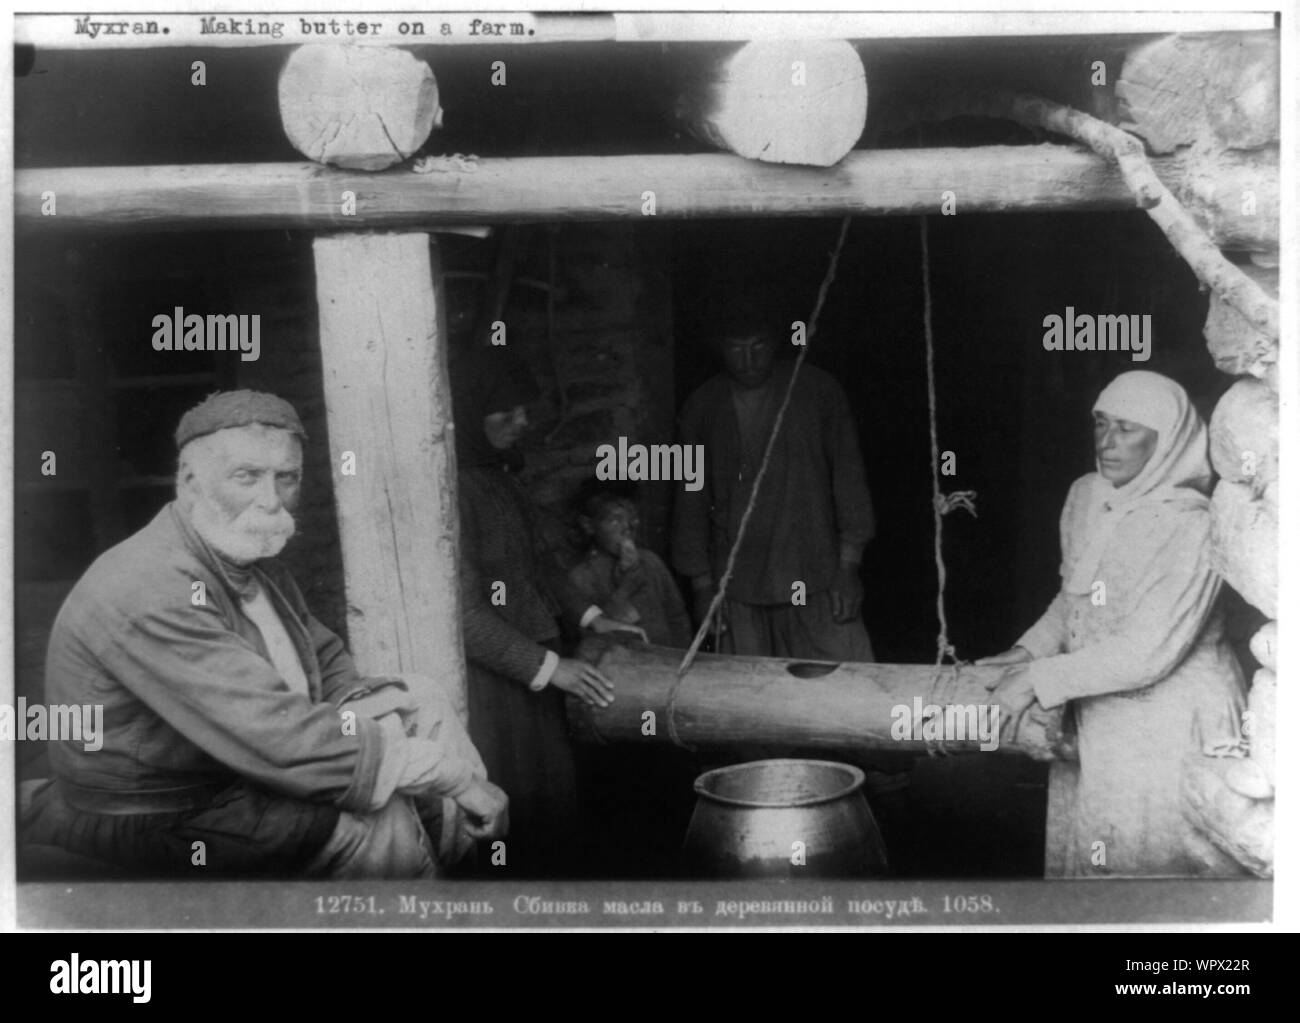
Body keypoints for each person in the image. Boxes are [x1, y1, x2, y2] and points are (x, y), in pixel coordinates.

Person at [22, 390, 507, 879]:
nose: (271, 500)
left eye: (286, 477)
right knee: (374, 817)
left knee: (419, 699)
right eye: (246, 476)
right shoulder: (149, 583)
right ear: (190, 482)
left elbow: (326, 658)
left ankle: (455, 870)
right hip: (160, 809)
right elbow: (276, 735)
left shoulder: (246, 563)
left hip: (228, 767)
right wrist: (449, 776)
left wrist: (383, 724)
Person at [981, 370, 1248, 877]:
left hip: (1171, 725)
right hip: (1098, 706)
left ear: (1167, 439)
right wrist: (1030, 651)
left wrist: (1040, 680)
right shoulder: (1088, 497)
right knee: (1094, 859)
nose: (1107, 442)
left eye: (1127, 429)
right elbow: (1074, 597)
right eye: (1101, 424)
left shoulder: (1193, 525)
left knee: (1148, 868)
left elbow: (1147, 652)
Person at [452, 346, 637, 877]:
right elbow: (464, 616)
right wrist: (552, 669)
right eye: (504, 411)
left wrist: (591, 618)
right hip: (499, 680)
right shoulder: (454, 492)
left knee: (552, 800)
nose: (522, 421)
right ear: (468, 412)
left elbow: (542, 565)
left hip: (537, 663)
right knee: (518, 805)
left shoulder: (501, 475)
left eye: (523, 409)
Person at [672, 318, 876, 661]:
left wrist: (848, 567)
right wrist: (702, 587)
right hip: (736, 588)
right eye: (736, 349)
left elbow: (849, 479)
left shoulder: (816, 390)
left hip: (815, 578)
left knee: (841, 691)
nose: (748, 360)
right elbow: (690, 500)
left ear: (776, 342)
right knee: (751, 700)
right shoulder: (702, 406)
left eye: (758, 346)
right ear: (720, 349)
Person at [567, 483, 692, 648]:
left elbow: (677, 618)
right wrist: (627, 586)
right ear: (588, 525)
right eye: (615, 520)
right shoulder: (581, 577)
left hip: (667, 662)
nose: (627, 528)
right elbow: (591, 638)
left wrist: (680, 656)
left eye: (632, 518)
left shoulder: (651, 562)